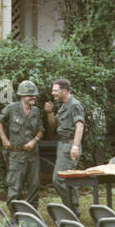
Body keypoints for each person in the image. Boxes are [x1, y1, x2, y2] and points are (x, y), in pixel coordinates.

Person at [0, 80, 45, 208]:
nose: (33, 97)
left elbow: (41, 130)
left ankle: (32, 213)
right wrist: (4, 139)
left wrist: (34, 141)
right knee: (15, 186)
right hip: (16, 155)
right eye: (30, 95)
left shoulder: (36, 111)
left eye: (34, 95)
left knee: (34, 185)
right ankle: (14, 215)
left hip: (33, 155)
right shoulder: (12, 108)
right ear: (22, 96)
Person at [45, 78, 85, 211]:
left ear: (64, 91)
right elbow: (54, 125)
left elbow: (80, 126)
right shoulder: (63, 105)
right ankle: (74, 210)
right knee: (69, 180)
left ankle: (70, 209)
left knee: (58, 180)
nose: (53, 93)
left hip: (70, 144)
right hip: (62, 144)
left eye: (55, 90)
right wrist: (50, 112)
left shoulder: (74, 105)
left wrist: (74, 146)